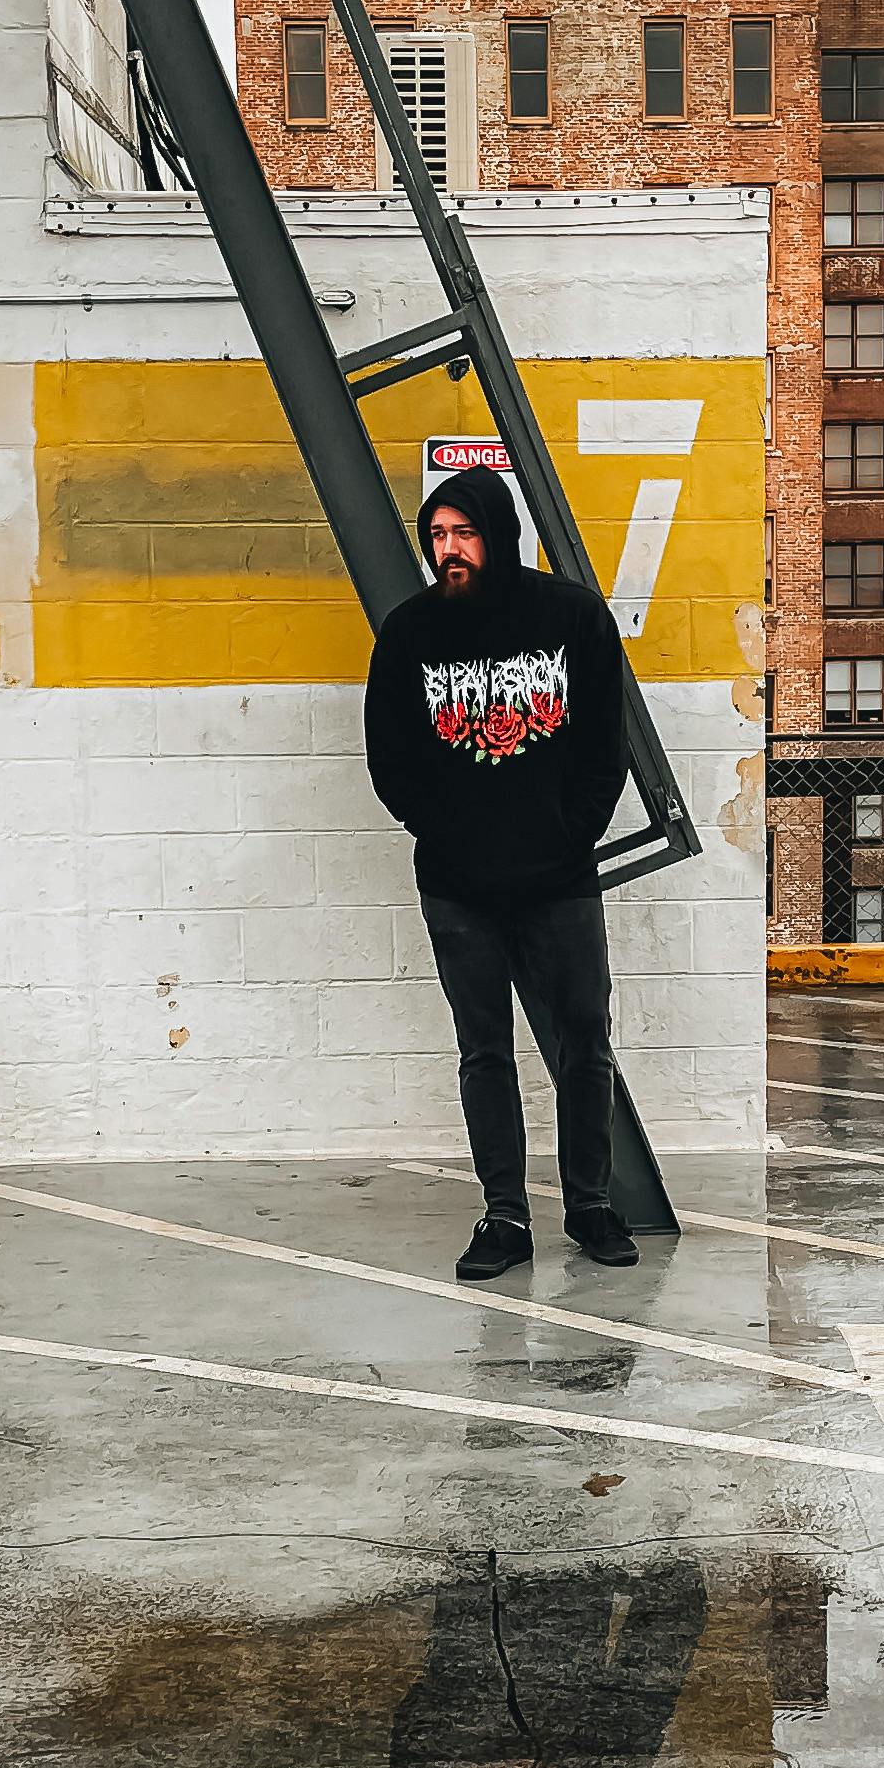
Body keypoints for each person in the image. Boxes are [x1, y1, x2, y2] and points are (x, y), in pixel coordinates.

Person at [363, 464, 638, 1281]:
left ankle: (589, 1205)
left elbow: (604, 744)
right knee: (483, 1050)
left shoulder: (571, 616)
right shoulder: (409, 633)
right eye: (437, 536)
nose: (449, 550)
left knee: (583, 1041)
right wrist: (445, 833)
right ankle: (504, 1216)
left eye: (464, 533)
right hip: (457, 886)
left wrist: (569, 835)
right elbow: (389, 759)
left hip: (559, 878)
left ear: (498, 534)